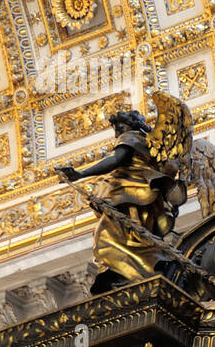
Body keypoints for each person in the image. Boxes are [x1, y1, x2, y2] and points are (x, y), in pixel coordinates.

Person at [57, 110, 184, 293]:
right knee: (134, 240)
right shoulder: (147, 143)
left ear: (131, 126)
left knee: (105, 240)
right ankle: (137, 274)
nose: (118, 134)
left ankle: (134, 277)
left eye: (120, 128)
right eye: (116, 130)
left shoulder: (131, 138)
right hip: (139, 197)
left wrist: (80, 174)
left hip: (132, 196)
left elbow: (115, 160)